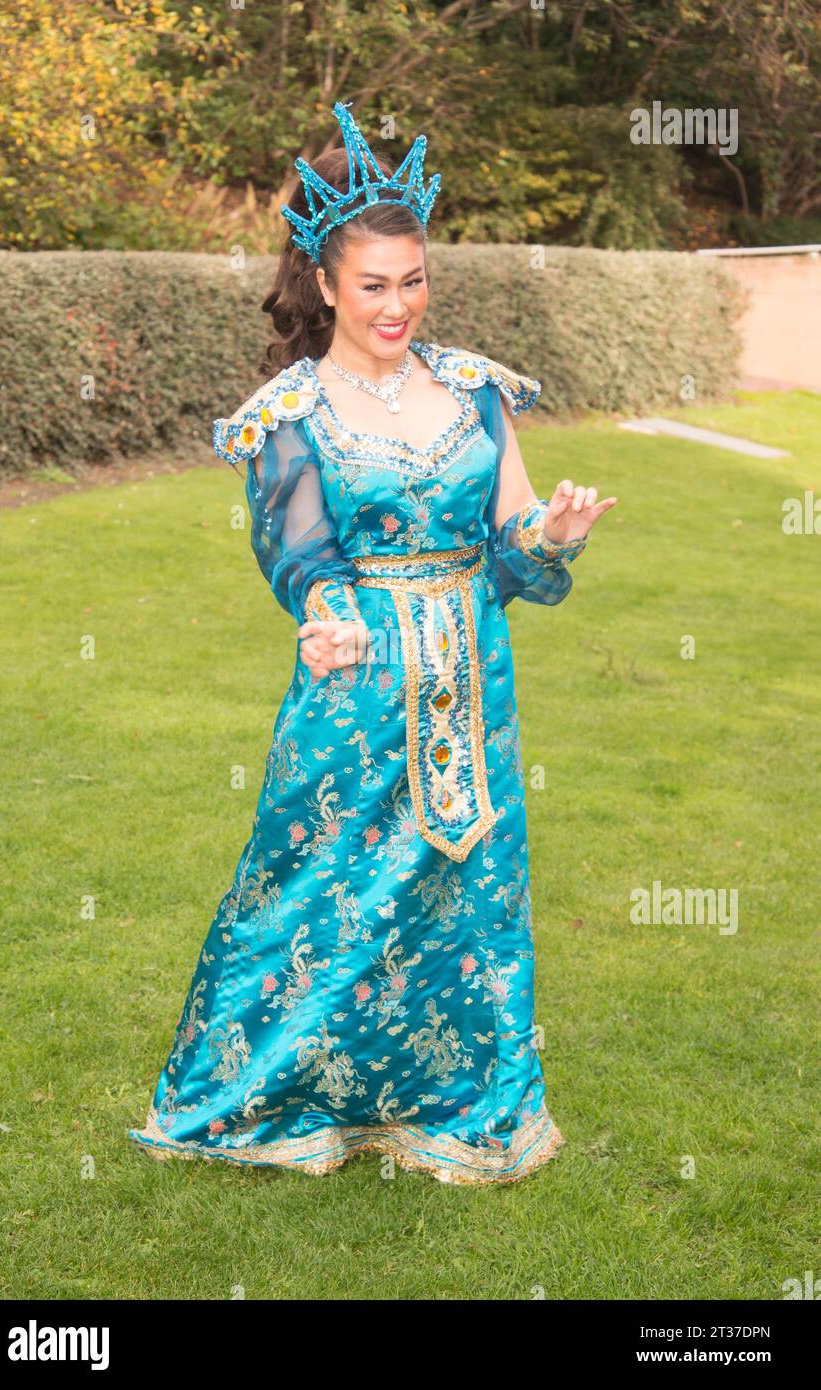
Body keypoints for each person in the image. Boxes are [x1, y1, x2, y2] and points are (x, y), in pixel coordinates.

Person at [127, 102, 616, 1184]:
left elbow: (513, 554)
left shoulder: (477, 395)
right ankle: (250, 1094)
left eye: (413, 280)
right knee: (314, 890)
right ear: (325, 284)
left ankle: (459, 1099)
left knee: (464, 892)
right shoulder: (289, 413)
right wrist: (327, 614)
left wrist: (554, 535)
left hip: (470, 686)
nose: (397, 305)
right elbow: (299, 561)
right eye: (373, 284)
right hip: (355, 692)